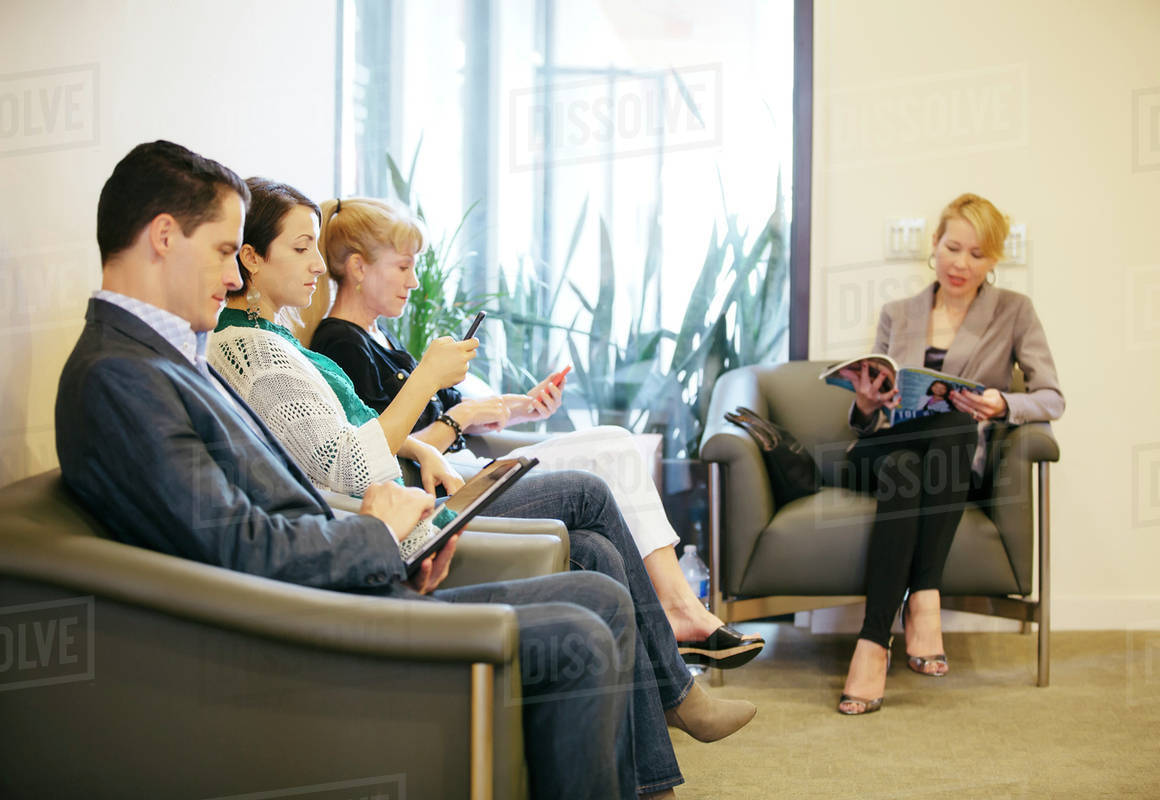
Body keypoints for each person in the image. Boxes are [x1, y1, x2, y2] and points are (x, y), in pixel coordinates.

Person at [57, 140, 641, 799]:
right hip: (308, 631)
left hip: (337, 591)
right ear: (164, 236)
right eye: (223, 251)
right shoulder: (119, 377)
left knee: (601, 598)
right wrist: (377, 535)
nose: (232, 275)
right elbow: (237, 546)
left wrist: (392, 544)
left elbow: (264, 510)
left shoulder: (165, 357)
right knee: (585, 627)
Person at [207, 178, 757, 797]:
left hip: (418, 490)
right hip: (404, 517)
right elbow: (347, 466)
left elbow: (352, 433)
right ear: (251, 258)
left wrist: (426, 441)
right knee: (590, 492)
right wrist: (429, 390)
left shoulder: (279, 342)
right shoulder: (249, 350)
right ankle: (677, 685)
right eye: (301, 248)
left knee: (597, 552)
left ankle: (653, 784)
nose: (317, 265)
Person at [303, 196, 764, 669]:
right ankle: (679, 609)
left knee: (614, 448)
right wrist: (460, 416)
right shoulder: (340, 344)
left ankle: (676, 615)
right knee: (614, 447)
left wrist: (519, 407)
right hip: (448, 488)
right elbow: (388, 449)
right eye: (403, 266)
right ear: (358, 268)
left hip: (467, 467)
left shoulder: (381, 337)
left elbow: (435, 420)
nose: (414, 281)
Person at [834, 192, 1064, 715]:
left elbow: (1052, 397)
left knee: (937, 441)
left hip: (952, 460)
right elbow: (874, 411)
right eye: (952, 248)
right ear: (934, 245)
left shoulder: (1014, 312)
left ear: (994, 259)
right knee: (909, 451)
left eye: (977, 254)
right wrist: (866, 402)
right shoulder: (898, 314)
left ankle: (872, 644)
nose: (961, 263)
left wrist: (1002, 402)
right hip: (882, 446)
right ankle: (925, 599)